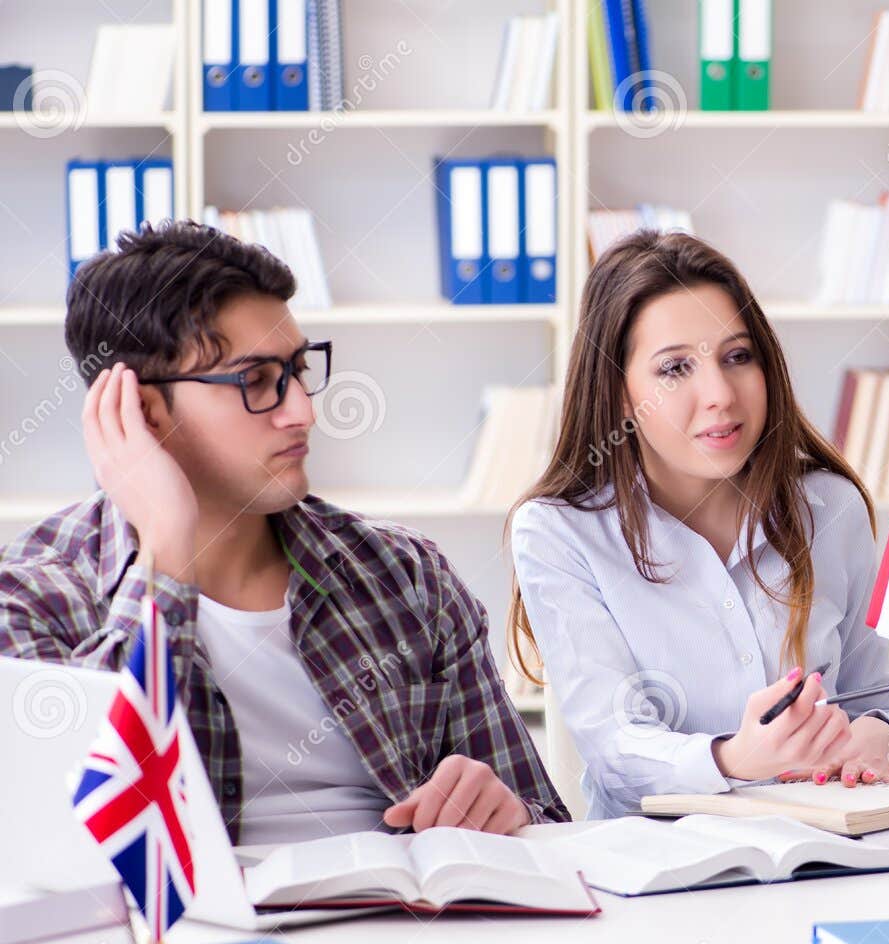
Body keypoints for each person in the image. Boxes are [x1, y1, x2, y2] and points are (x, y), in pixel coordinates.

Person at [0, 221, 566, 843]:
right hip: (189, 933)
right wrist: (166, 549)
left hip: (407, 928)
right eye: (255, 381)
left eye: (298, 370)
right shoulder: (30, 598)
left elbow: (545, 820)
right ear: (144, 412)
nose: (303, 410)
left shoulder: (406, 576)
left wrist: (510, 814)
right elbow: (81, 841)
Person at [509, 230, 889, 819]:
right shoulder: (559, 533)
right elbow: (615, 750)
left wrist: (880, 738)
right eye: (675, 369)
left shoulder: (832, 507)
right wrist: (736, 758)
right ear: (620, 394)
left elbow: (878, 698)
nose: (720, 394)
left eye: (737, 357)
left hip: (832, 857)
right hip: (661, 877)